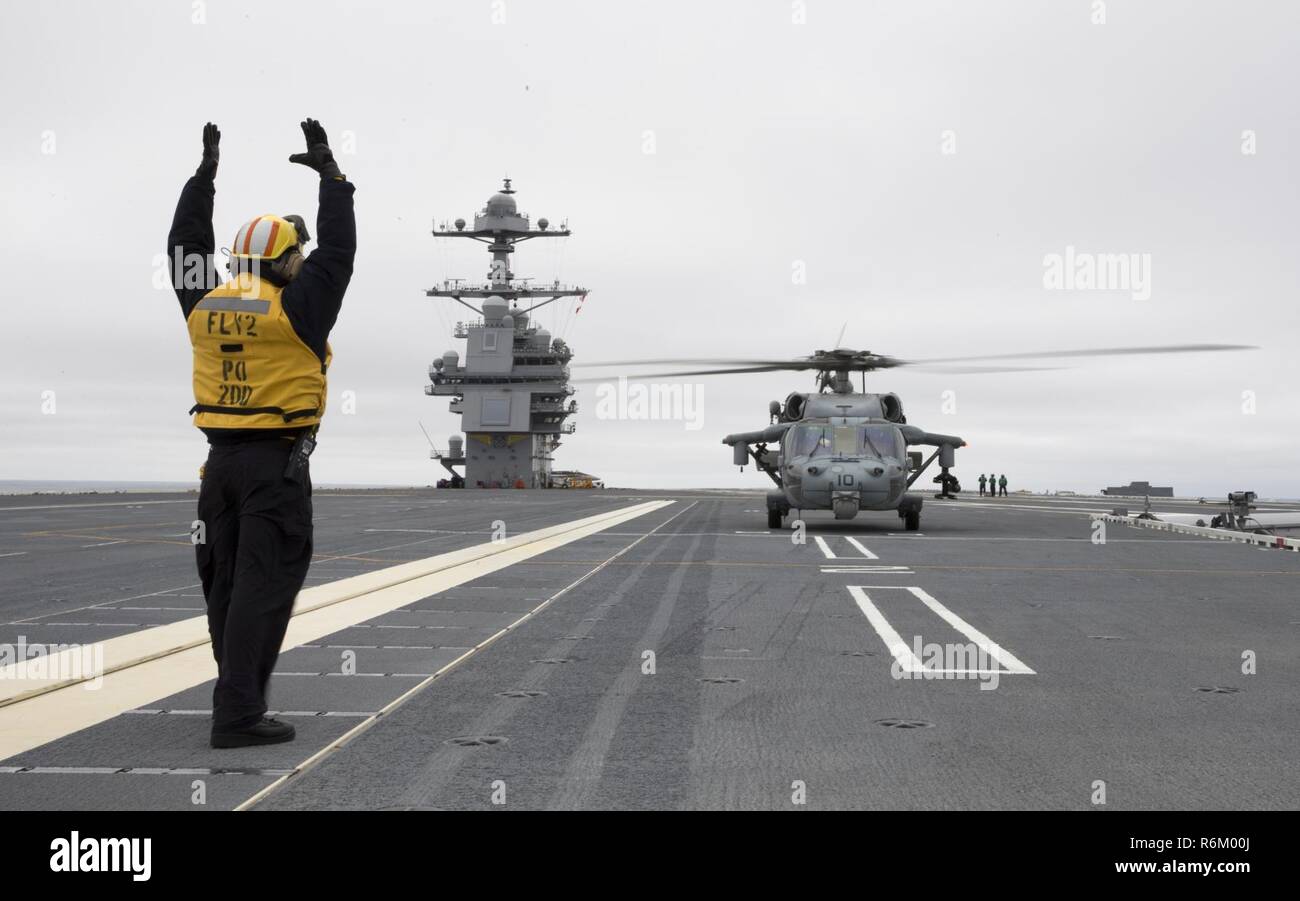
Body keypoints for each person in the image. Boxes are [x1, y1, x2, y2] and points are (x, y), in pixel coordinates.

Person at [167, 119, 356, 748]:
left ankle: (237, 694)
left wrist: (204, 179)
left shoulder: (202, 302)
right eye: (295, 256)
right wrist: (333, 180)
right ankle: (239, 713)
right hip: (275, 470)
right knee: (262, 587)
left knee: (223, 586)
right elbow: (339, 253)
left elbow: (184, 245)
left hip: (216, 470)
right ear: (281, 262)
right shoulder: (299, 309)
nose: (305, 262)